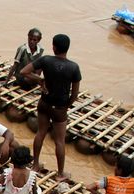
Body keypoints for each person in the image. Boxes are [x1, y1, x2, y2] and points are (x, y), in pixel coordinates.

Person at [20, 34, 81, 180]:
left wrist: (40, 80)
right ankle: (60, 173)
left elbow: (24, 72)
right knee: (60, 141)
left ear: (54, 47)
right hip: (60, 108)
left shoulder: (46, 60)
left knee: (40, 133)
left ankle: (35, 164)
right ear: (67, 48)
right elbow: (75, 93)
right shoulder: (73, 67)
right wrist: (66, 106)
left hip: (45, 103)